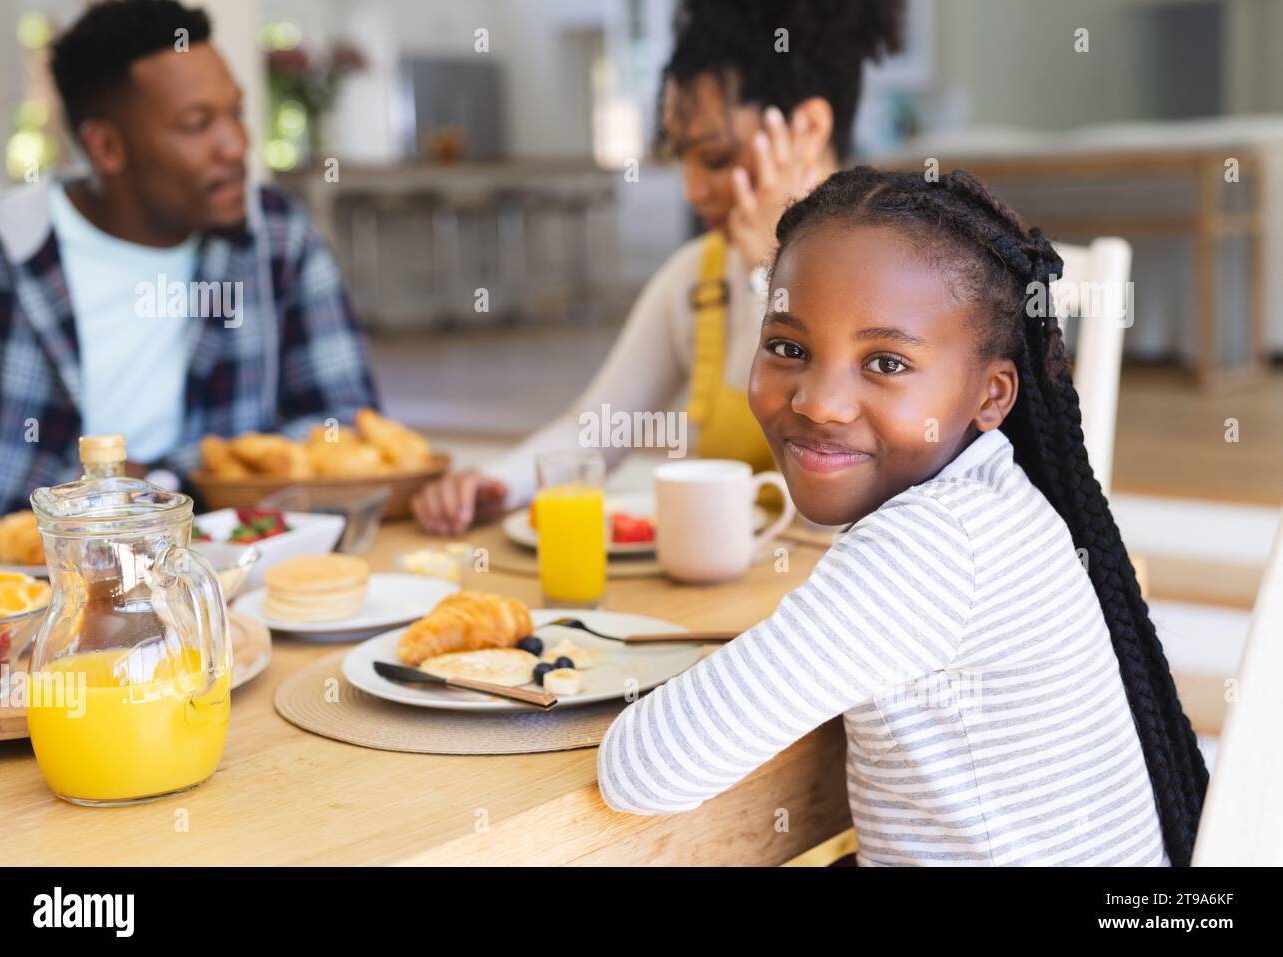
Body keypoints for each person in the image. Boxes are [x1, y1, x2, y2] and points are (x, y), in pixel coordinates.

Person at [598, 167, 1209, 867]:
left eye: (885, 361)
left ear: (991, 395)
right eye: (788, 348)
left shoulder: (932, 546)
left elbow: (643, 767)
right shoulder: (995, 499)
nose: (820, 402)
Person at [412, 0, 902, 533]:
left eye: (715, 158)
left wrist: (771, 271)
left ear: (806, 128)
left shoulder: (898, 277)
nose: (692, 190)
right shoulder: (698, 276)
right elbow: (599, 428)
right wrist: (499, 481)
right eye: (681, 158)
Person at [0, 0, 376, 513]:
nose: (236, 145)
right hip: (15, 583)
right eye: (197, 124)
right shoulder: (2, 250)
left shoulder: (276, 237)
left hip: (213, 575)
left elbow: (347, 426)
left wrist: (162, 478)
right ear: (106, 147)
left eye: (235, 113)